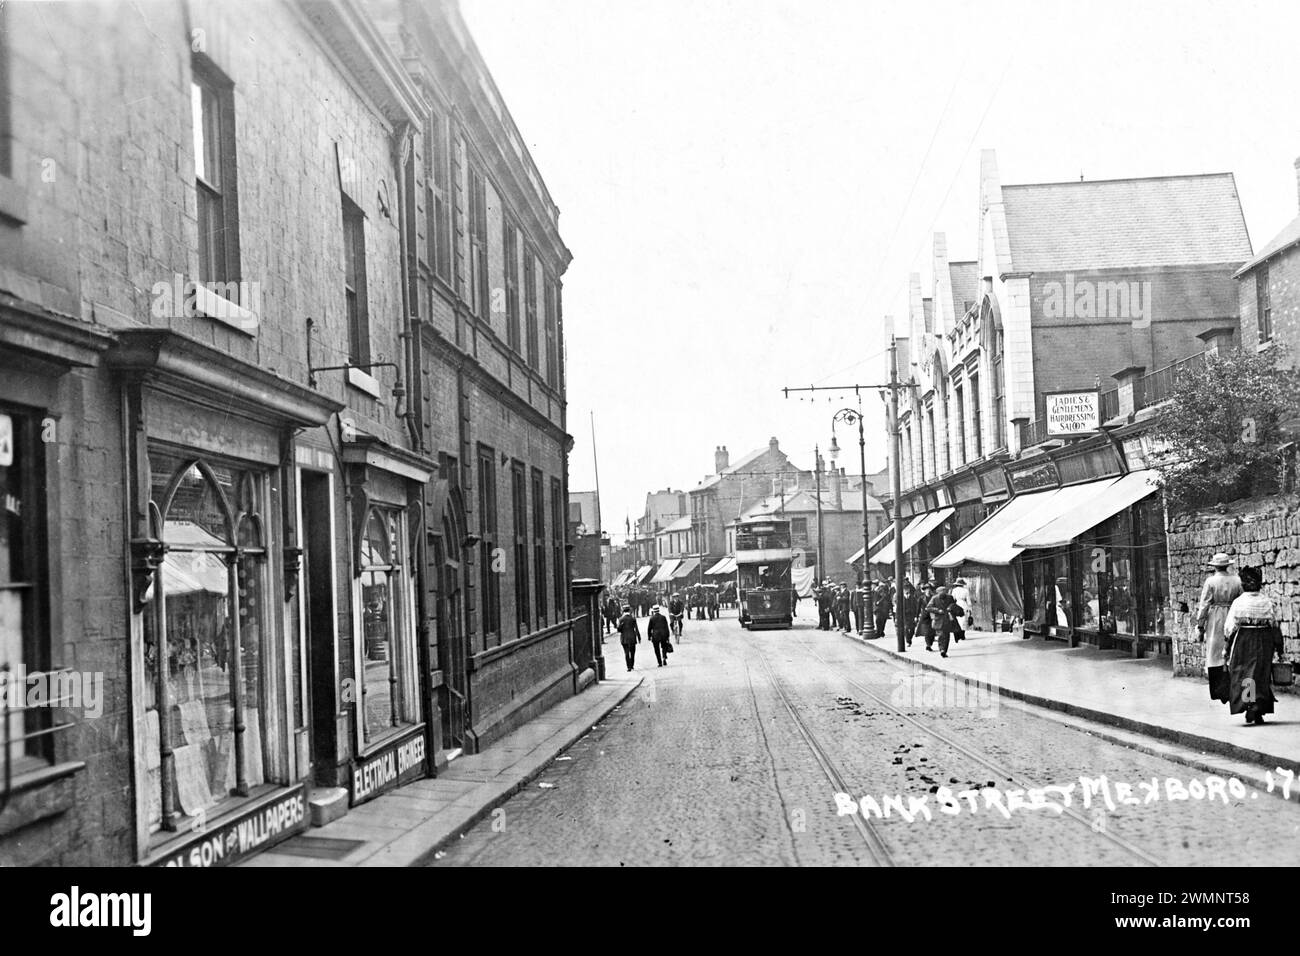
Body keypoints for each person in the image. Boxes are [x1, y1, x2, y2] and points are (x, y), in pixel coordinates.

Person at [1223, 566, 1285, 724]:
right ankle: (1258, 706)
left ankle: (1250, 704)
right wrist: (1279, 648)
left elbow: (1230, 628)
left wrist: (1226, 648)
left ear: (1243, 585)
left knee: (1244, 674)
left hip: (1244, 640)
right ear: (1260, 584)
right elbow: (1275, 626)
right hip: (1264, 640)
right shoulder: (1267, 602)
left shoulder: (1238, 603)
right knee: (1260, 674)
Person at [1197, 552, 1243, 702]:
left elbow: (1204, 604)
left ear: (1215, 566)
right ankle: (1234, 686)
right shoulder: (1237, 580)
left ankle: (1219, 689)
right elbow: (1242, 599)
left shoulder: (1211, 581)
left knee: (1215, 651)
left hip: (1216, 617)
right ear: (1227, 565)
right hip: (1233, 613)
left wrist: (1200, 624)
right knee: (1232, 649)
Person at [924, 586, 953, 657]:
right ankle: (942, 649)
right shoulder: (934, 598)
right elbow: (928, 608)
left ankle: (944, 650)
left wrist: (950, 608)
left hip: (947, 619)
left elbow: (953, 604)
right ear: (938, 592)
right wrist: (937, 610)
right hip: (938, 619)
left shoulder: (950, 597)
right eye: (942, 591)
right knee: (941, 635)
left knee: (947, 636)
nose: (943, 592)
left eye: (945, 591)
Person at [617, 605, 641, 671]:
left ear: (623, 611)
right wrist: (639, 637)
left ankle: (628, 667)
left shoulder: (620, 619)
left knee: (626, 653)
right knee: (632, 652)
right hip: (632, 637)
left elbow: (618, 630)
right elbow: (636, 629)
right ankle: (632, 665)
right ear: (629, 610)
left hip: (624, 638)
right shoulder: (633, 618)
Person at [949, 578, 970, 642]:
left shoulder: (954, 590)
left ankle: (958, 634)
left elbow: (952, 599)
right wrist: (970, 608)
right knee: (964, 620)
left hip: (957, 604)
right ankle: (963, 635)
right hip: (964, 604)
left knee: (958, 620)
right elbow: (968, 600)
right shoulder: (966, 590)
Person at [901, 580, 920, 647]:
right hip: (905, 615)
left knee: (912, 629)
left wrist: (916, 616)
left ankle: (910, 639)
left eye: (907, 589)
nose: (906, 590)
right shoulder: (901, 598)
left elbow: (916, 607)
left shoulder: (913, 597)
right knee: (906, 628)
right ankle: (908, 640)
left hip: (912, 615)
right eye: (905, 589)